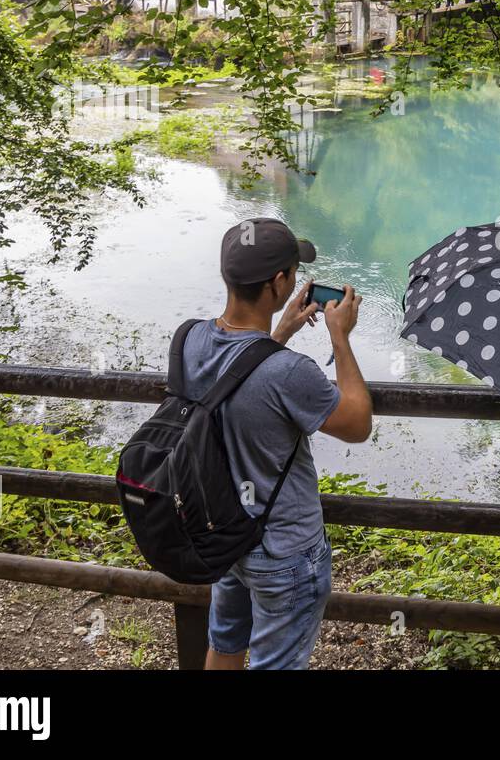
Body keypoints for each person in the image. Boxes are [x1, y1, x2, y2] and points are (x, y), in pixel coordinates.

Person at [184, 217, 373, 670]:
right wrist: (340, 338)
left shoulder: (189, 339)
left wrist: (277, 334)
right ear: (279, 282)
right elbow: (357, 424)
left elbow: (238, 381)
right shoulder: (290, 371)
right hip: (283, 550)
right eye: (291, 272)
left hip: (224, 531)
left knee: (225, 644)